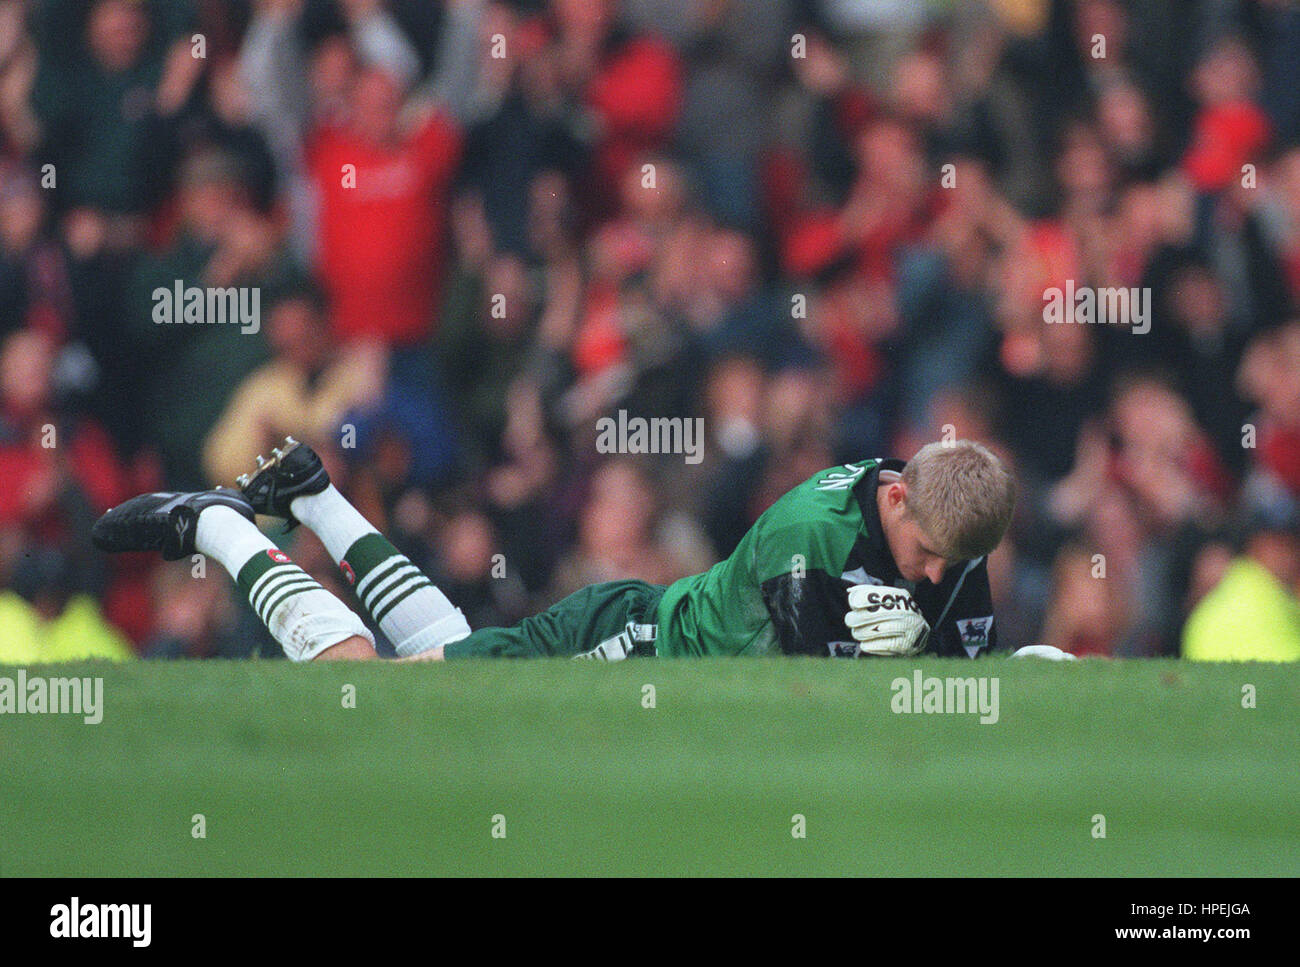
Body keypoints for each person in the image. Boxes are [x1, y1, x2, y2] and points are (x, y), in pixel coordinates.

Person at [91, 437, 1015, 662]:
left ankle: (313, 496)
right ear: (895, 496)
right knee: (366, 694)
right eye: (925, 552)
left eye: (951, 565)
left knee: (439, 659)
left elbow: (963, 665)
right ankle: (214, 526)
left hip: (632, 624)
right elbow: (813, 696)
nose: (934, 575)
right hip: (618, 648)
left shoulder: (948, 524)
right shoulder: (810, 536)